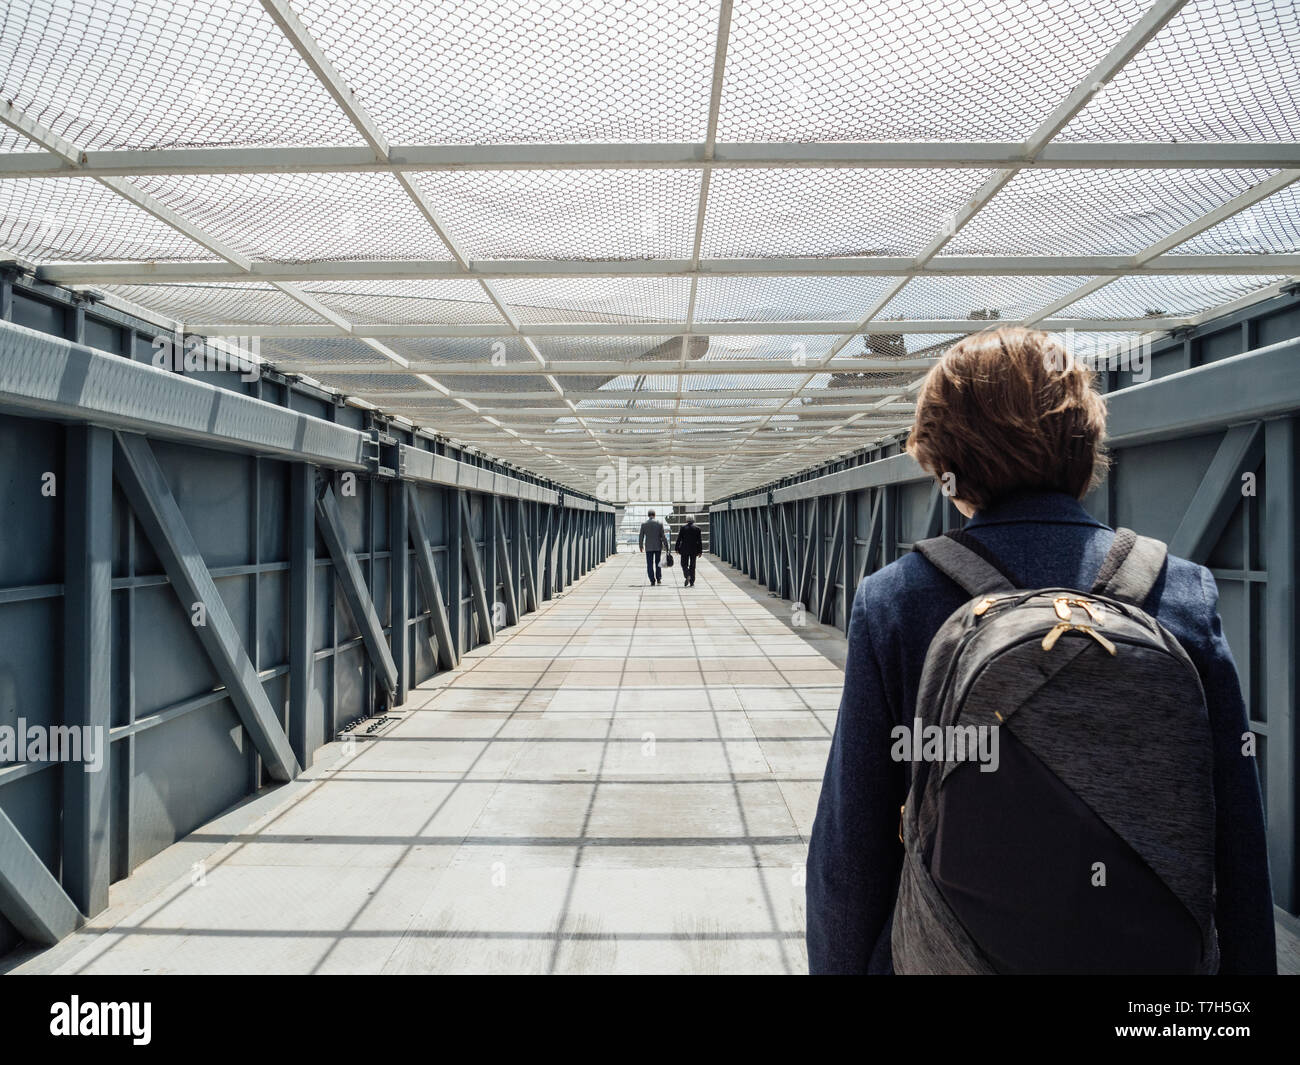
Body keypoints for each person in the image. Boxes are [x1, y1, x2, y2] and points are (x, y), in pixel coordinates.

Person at [806, 326, 1276, 975]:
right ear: (1082, 440)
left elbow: (849, 854)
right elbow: (1238, 852)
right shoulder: (1181, 592)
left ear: (945, 456)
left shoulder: (897, 601)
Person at [638, 509, 669, 586]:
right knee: (658, 563)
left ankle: (652, 580)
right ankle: (658, 578)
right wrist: (666, 545)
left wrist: (641, 546)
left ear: (648, 515)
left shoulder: (644, 524)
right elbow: (663, 536)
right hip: (658, 546)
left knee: (649, 564)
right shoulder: (659, 524)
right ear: (654, 515)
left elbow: (641, 536)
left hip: (648, 547)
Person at [674, 514, 703, 586]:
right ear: (693, 520)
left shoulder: (683, 528)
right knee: (692, 565)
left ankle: (687, 575)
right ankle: (692, 582)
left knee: (684, 564)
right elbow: (699, 541)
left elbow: (679, 539)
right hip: (694, 549)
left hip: (684, 549)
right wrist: (700, 551)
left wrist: (676, 548)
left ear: (686, 520)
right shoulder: (697, 528)